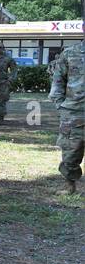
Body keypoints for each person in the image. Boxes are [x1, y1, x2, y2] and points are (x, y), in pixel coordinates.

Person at [49, 41, 85, 194]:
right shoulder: (70, 53)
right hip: (73, 111)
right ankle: (69, 185)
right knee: (71, 149)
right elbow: (58, 80)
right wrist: (60, 105)